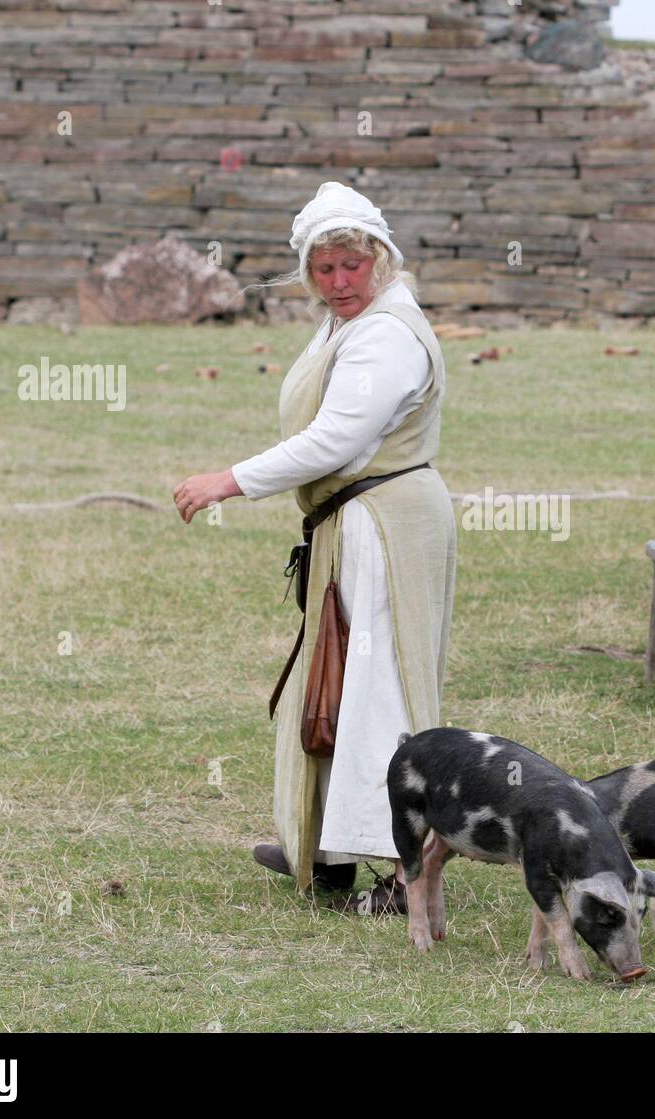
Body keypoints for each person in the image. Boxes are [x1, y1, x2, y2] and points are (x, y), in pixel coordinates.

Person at [172, 182, 457, 914]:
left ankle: (405, 870)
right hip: (355, 521)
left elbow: (339, 439)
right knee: (334, 683)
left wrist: (229, 481)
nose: (338, 283)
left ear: (381, 261)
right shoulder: (348, 325)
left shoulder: (388, 331)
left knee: (378, 687)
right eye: (323, 269)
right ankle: (329, 848)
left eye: (351, 266)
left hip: (385, 524)